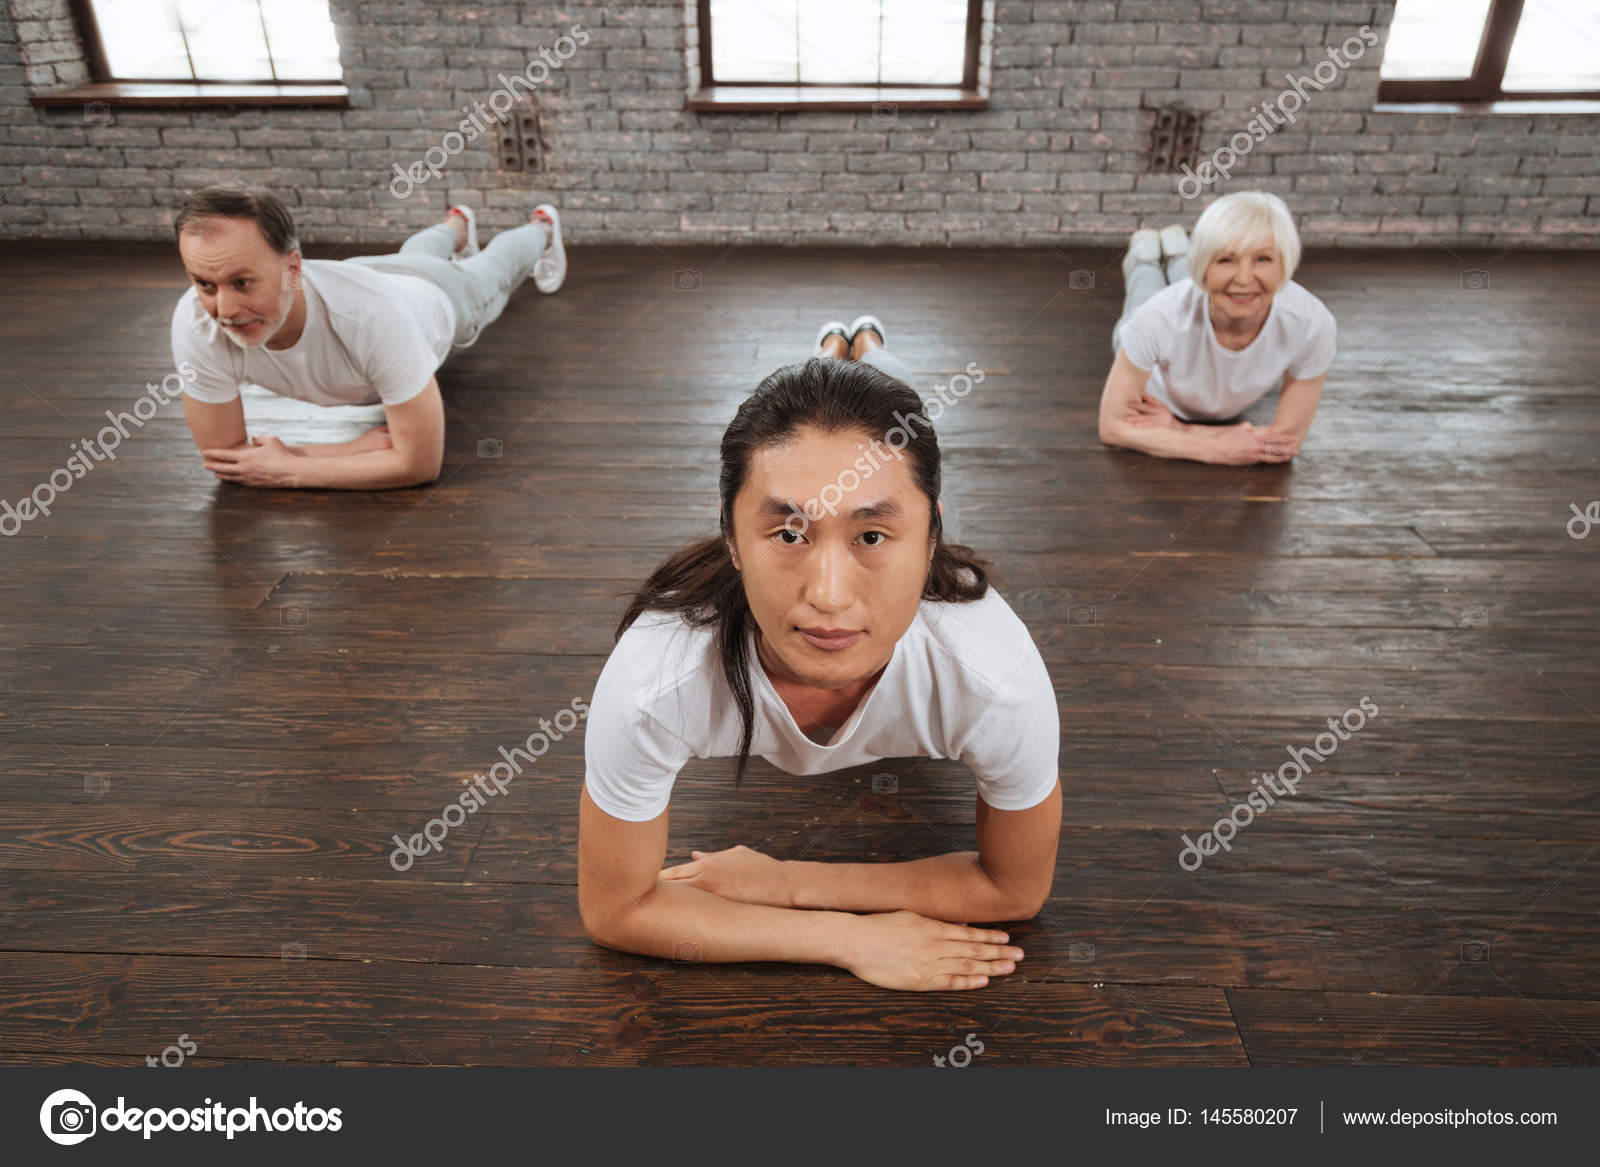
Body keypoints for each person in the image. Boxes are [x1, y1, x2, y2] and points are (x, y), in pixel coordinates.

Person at [578, 326, 1063, 993]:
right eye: (787, 532)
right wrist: (847, 936)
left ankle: (862, 345)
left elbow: (1015, 888)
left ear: (931, 539)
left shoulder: (997, 680)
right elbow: (615, 908)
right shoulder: (653, 680)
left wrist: (787, 881)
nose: (829, 595)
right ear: (731, 538)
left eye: (871, 534)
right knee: (833, 412)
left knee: (890, 385)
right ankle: (835, 353)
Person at [168, 186, 568, 489]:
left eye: (242, 282)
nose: (224, 310)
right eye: (205, 284)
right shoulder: (195, 321)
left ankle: (541, 228)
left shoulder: (371, 315)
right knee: (410, 257)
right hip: (373, 274)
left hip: (441, 296)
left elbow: (418, 465)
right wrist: (348, 451)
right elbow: (226, 458)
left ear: (293, 269)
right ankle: (455, 227)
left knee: (496, 268)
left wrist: (292, 467)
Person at [1097, 190, 1337, 465]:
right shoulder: (1156, 317)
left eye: (1263, 259)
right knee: (1145, 287)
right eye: (1226, 259)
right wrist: (1215, 449)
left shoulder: (1312, 325)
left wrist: (1180, 430)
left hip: (1197, 308)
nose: (1245, 278)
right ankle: (1143, 256)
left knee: (1216, 288)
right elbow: (1113, 428)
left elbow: (1285, 443)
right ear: (1204, 267)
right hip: (1158, 388)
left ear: (1285, 264)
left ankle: (1177, 251)